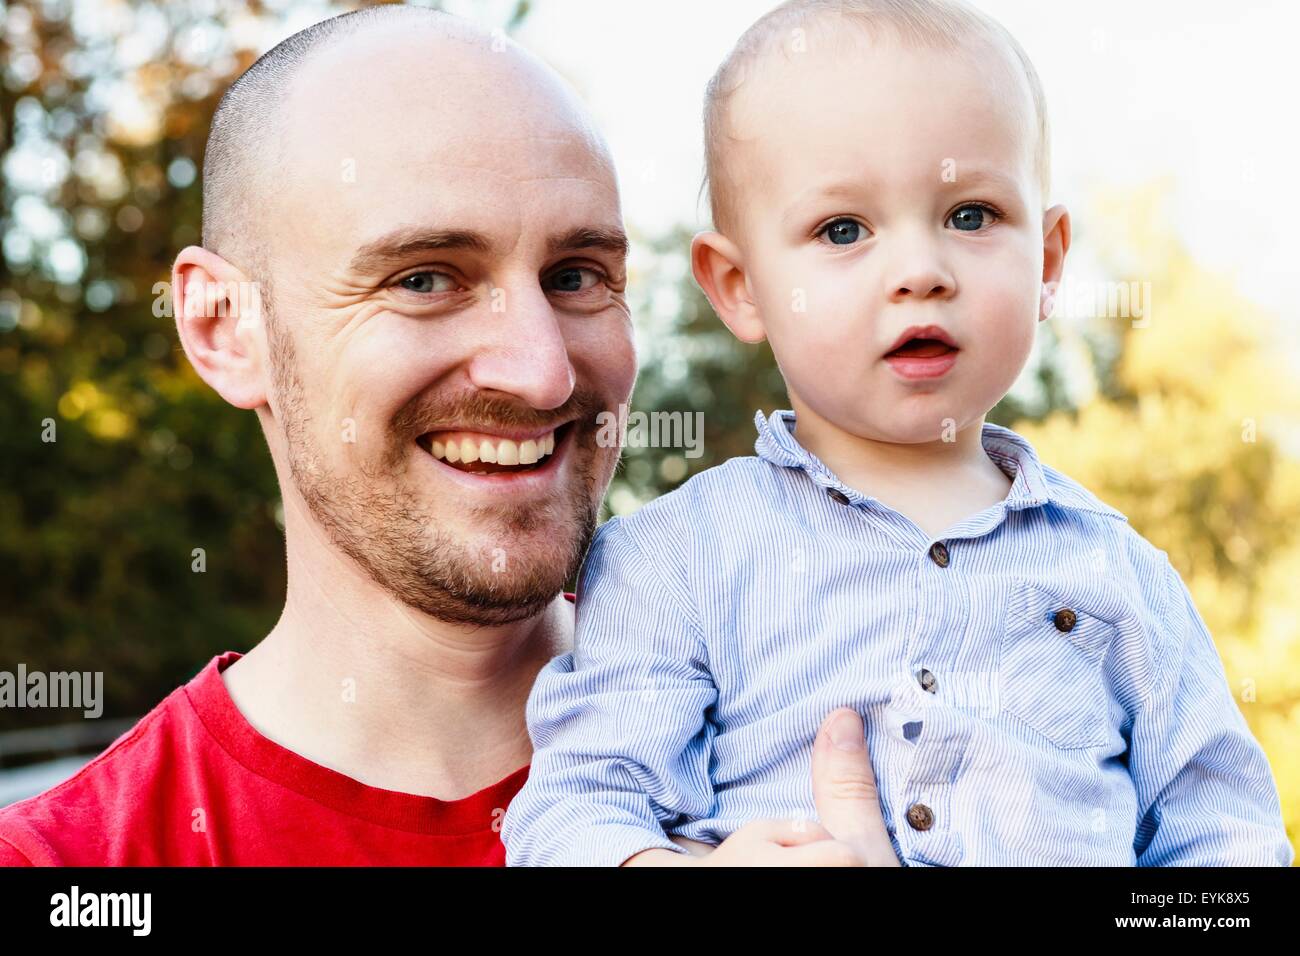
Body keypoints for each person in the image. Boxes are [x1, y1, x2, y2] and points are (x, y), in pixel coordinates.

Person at [0, 4, 897, 867]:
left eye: (577, 275)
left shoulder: (882, 742)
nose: (540, 371)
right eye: (426, 278)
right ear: (224, 327)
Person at [501, 0, 1294, 867]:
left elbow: (1228, 846)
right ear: (739, 286)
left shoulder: (1122, 576)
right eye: (843, 229)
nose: (921, 271)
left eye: (971, 216)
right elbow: (577, 809)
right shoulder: (676, 561)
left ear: (1050, 263)